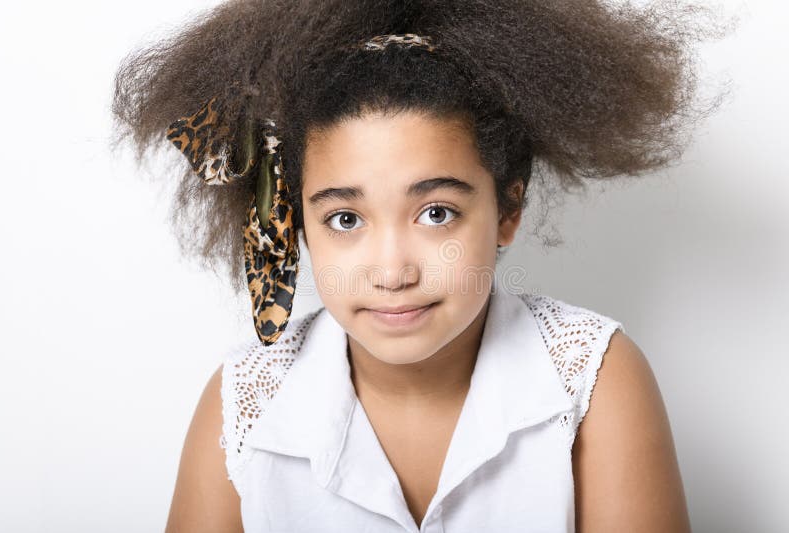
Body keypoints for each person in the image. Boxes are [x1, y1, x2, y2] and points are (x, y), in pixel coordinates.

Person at [111, 1, 728, 531]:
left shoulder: (595, 380)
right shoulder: (242, 406)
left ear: (508, 206)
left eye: (436, 213)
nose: (392, 270)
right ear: (293, 222)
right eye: (345, 219)